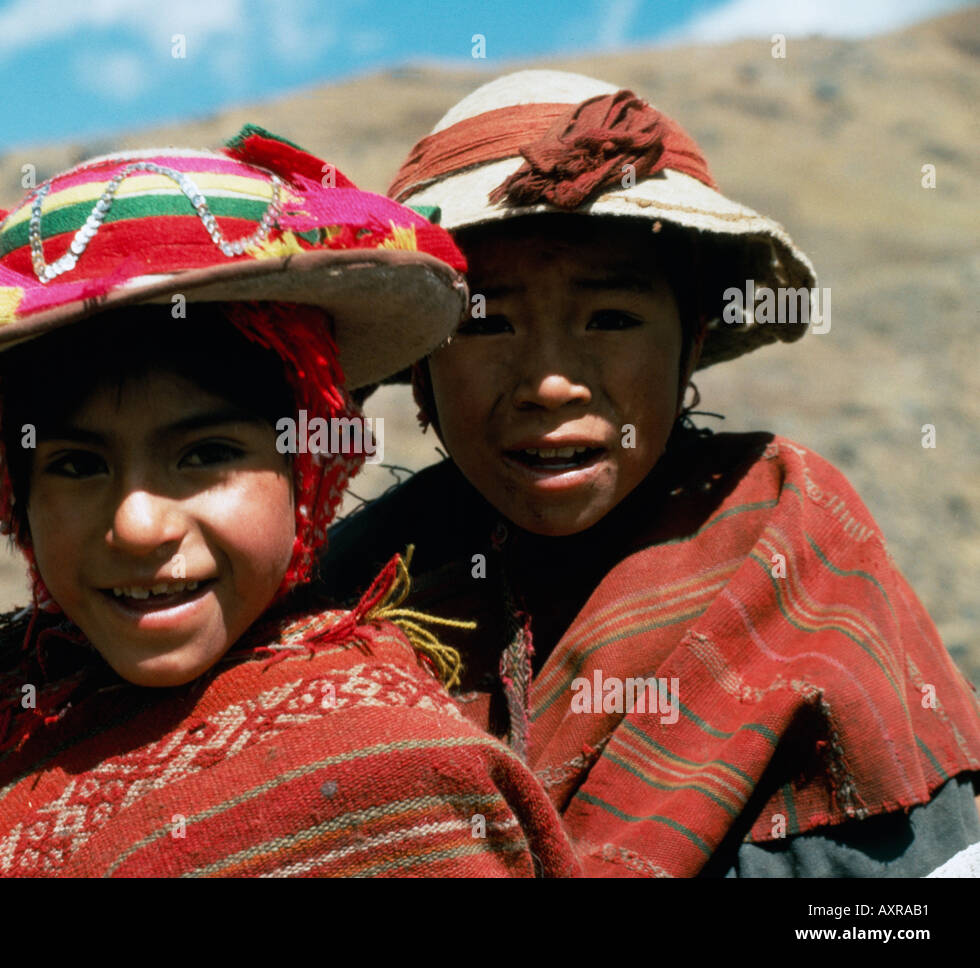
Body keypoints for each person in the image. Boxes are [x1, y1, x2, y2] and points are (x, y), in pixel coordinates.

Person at [0, 128, 579, 878]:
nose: (138, 526)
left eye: (206, 455)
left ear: (310, 468)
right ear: (16, 491)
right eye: (76, 466)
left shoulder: (384, 787)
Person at [316, 71, 980, 877]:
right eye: (487, 321)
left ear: (691, 339)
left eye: (612, 318)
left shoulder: (796, 552)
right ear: (422, 363)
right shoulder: (346, 599)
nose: (549, 382)